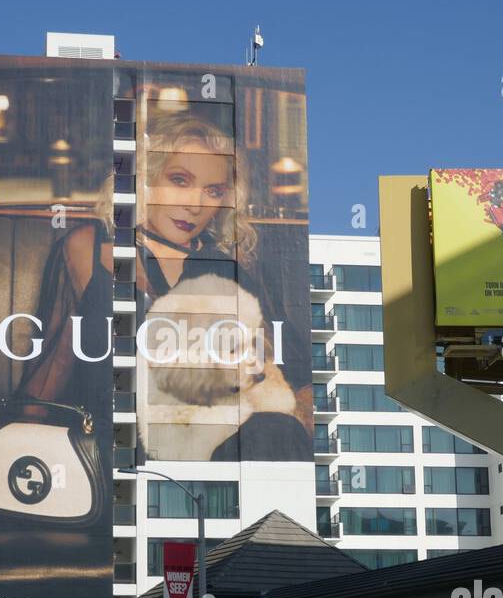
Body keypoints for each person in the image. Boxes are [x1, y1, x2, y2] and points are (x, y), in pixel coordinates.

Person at [17, 109, 310, 461]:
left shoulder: (229, 272)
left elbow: (286, 374)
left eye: (213, 190)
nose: (195, 205)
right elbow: (56, 365)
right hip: (112, 450)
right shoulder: (90, 249)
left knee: (274, 430)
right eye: (180, 180)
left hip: (214, 451)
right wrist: (8, 444)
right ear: (147, 178)